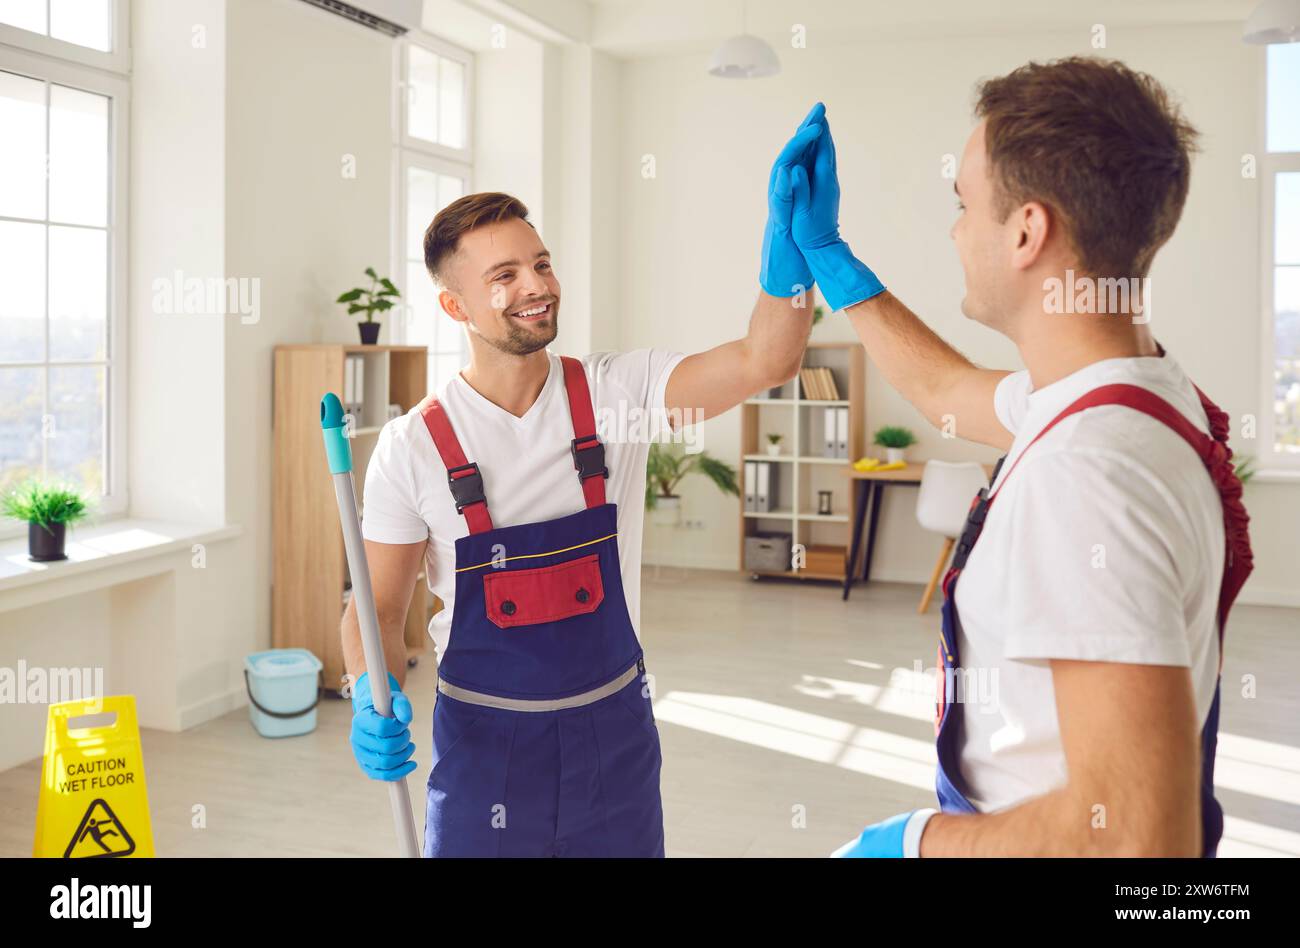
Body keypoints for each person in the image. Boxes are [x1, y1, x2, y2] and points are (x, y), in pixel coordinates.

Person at [771, 60, 1252, 857]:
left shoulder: (1086, 472)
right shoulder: (1129, 391)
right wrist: (832, 259)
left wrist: (917, 843)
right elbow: (946, 391)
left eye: (964, 205)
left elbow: (1137, 838)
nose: (955, 230)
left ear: (1027, 231)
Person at [339, 109, 828, 856]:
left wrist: (793, 260)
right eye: (505, 275)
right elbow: (374, 603)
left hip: (614, 748)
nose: (536, 285)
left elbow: (767, 362)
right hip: (484, 754)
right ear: (455, 306)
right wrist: (359, 691)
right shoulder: (413, 447)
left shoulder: (615, 396)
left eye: (541, 263)